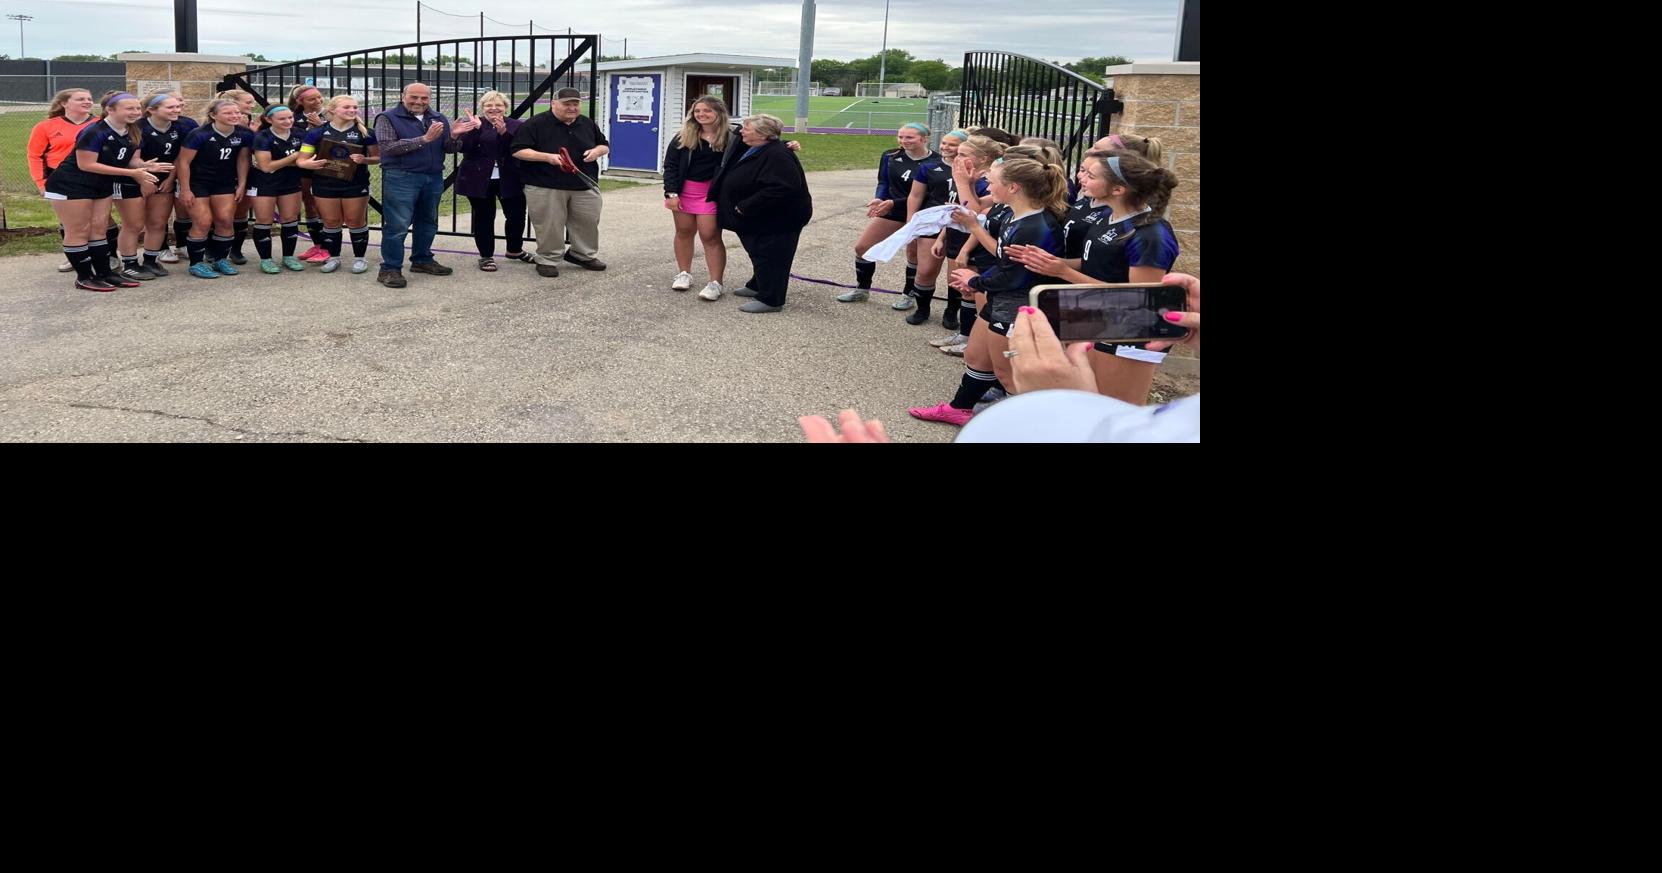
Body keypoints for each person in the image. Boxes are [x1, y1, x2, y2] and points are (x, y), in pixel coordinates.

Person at [801, 273, 1200, 443]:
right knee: (983, 355)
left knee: (1012, 369)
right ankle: (963, 404)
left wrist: (1066, 404)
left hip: (1105, 331)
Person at [1008, 150, 1181, 404]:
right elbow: (1097, 261)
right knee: (1088, 401)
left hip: (1130, 331)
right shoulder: (1108, 216)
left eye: (1091, 175)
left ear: (1119, 189)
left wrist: (1063, 272)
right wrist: (1055, 263)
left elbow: (1143, 299)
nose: (1082, 179)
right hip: (1099, 319)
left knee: (1115, 410)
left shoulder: (1149, 234)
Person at [43, 91, 163, 291]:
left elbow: (132, 160)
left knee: (99, 230)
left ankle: (105, 273)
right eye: (129, 108)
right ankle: (84, 277)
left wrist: (145, 166)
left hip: (101, 185)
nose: (135, 112)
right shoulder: (94, 131)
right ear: (110, 109)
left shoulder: (132, 131)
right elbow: (86, 164)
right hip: (71, 184)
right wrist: (132, 174)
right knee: (79, 230)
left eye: (137, 108)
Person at [372, 82, 479, 287]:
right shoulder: (387, 117)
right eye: (414, 97)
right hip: (401, 176)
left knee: (428, 221)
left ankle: (422, 260)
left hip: (432, 177)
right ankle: (390, 269)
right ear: (403, 96)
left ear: (429, 98)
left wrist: (455, 135)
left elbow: (448, 148)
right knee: (398, 224)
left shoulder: (437, 118)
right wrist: (424, 139)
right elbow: (388, 148)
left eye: (424, 98)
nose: (419, 102)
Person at [712, 114, 812, 314]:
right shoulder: (757, 147)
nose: (741, 132)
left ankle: (771, 299)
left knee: (772, 256)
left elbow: (782, 188)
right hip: (759, 218)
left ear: (762, 134)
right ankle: (758, 284)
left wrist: (746, 206)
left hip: (779, 219)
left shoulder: (777, 155)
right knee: (758, 252)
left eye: (746, 129)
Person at [511, 87, 610, 279]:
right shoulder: (535, 124)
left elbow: (604, 144)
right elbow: (518, 150)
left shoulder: (587, 123)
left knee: (588, 222)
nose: (572, 108)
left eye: (576, 103)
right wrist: (547, 157)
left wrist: (597, 151)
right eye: (567, 104)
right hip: (546, 184)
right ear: (553, 103)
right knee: (550, 225)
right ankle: (547, 259)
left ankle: (581, 254)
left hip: (583, 183)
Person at [840, 122, 937, 304]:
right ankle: (862, 289)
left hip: (919, 212)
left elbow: (928, 195)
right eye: (900, 136)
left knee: (913, 254)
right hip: (891, 209)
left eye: (909, 137)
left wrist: (893, 202)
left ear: (924, 139)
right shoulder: (890, 155)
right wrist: (879, 198)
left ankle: (909, 295)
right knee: (862, 247)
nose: (903, 141)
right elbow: (883, 182)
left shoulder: (936, 163)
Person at [295, 95, 379, 275]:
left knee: (355, 221)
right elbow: (302, 160)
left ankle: (359, 259)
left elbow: (378, 158)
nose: (352, 110)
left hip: (355, 184)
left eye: (355, 107)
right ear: (332, 110)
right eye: (347, 107)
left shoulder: (365, 133)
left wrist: (364, 159)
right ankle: (334, 258)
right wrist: (310, 164)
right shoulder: (317, 132)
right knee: (331, 221)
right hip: (324, 184)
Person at [453, 90, 531, 271]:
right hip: (478, 178)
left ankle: (514, 249)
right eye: (489, 105)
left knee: (516, 215)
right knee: (484, 217)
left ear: (505, 107)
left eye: (499, 105)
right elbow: (464, 148)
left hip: (510, 177)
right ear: (482, 107)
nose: (494, 108)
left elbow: (517, 149)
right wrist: (474, 130)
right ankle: (486, 255)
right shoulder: (472, 124)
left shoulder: (516, 125)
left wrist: (503, 133)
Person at [175, 98, 251, 279]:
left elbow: (242, 159)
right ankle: (196, 263)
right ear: (213, 115)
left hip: (224, 182)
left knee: (225, 220)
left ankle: (220, 259)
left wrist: (241, 184)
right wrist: (185, 189)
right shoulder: (199, 134)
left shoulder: (244, 133)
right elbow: (183, 162)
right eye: (228, 113)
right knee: (202, 222)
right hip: (198, 183)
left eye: (236, 112)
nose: (234, 116)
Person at [28, 88, 98, 274]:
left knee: (100, 220)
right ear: (64, 103)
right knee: (71, 223)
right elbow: (35, 156)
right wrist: (41, 183)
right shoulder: (46, 126)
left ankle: (105, 256)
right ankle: (75, 257)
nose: (87, 102)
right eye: (80, 99)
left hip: (94, 177)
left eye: (89, 99)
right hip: (61, 179)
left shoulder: (99, 123)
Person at [136, 92, 196, 278]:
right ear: (151, 110)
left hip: (165, 178)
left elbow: (180, 157)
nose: (177, 109)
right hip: (136, 178)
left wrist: (171, 179)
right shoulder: (137, 127)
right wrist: (143, 178)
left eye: (178, 106)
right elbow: (131, 158)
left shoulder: (182, 127)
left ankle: (150, 261)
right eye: (171, 107)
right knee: (134, 224)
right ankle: (128, 261)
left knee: (157, 222)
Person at [248, 105, 308, 273]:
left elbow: (309, 156)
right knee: (264, 220)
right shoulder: (262, 137)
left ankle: (288, 256)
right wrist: (295, 157)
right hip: (263, 182)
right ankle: (266, 259)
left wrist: (284, 162)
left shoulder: (299, 134)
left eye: (290, 117)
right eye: (282, 119)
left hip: (290, 181)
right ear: (269, 120)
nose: (288, 121)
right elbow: (266, 167)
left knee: (290, 218)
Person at [286, 84, 333, 262]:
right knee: (309, 203)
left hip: (326, 165)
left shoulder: (332, 116)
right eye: (312, 99)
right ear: (301, 101)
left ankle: (328, 246)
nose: (318, 101)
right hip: (303, 166)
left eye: (319, 96)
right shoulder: (293, 118)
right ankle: (318, 245)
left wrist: (321, 127)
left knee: (325, 205)